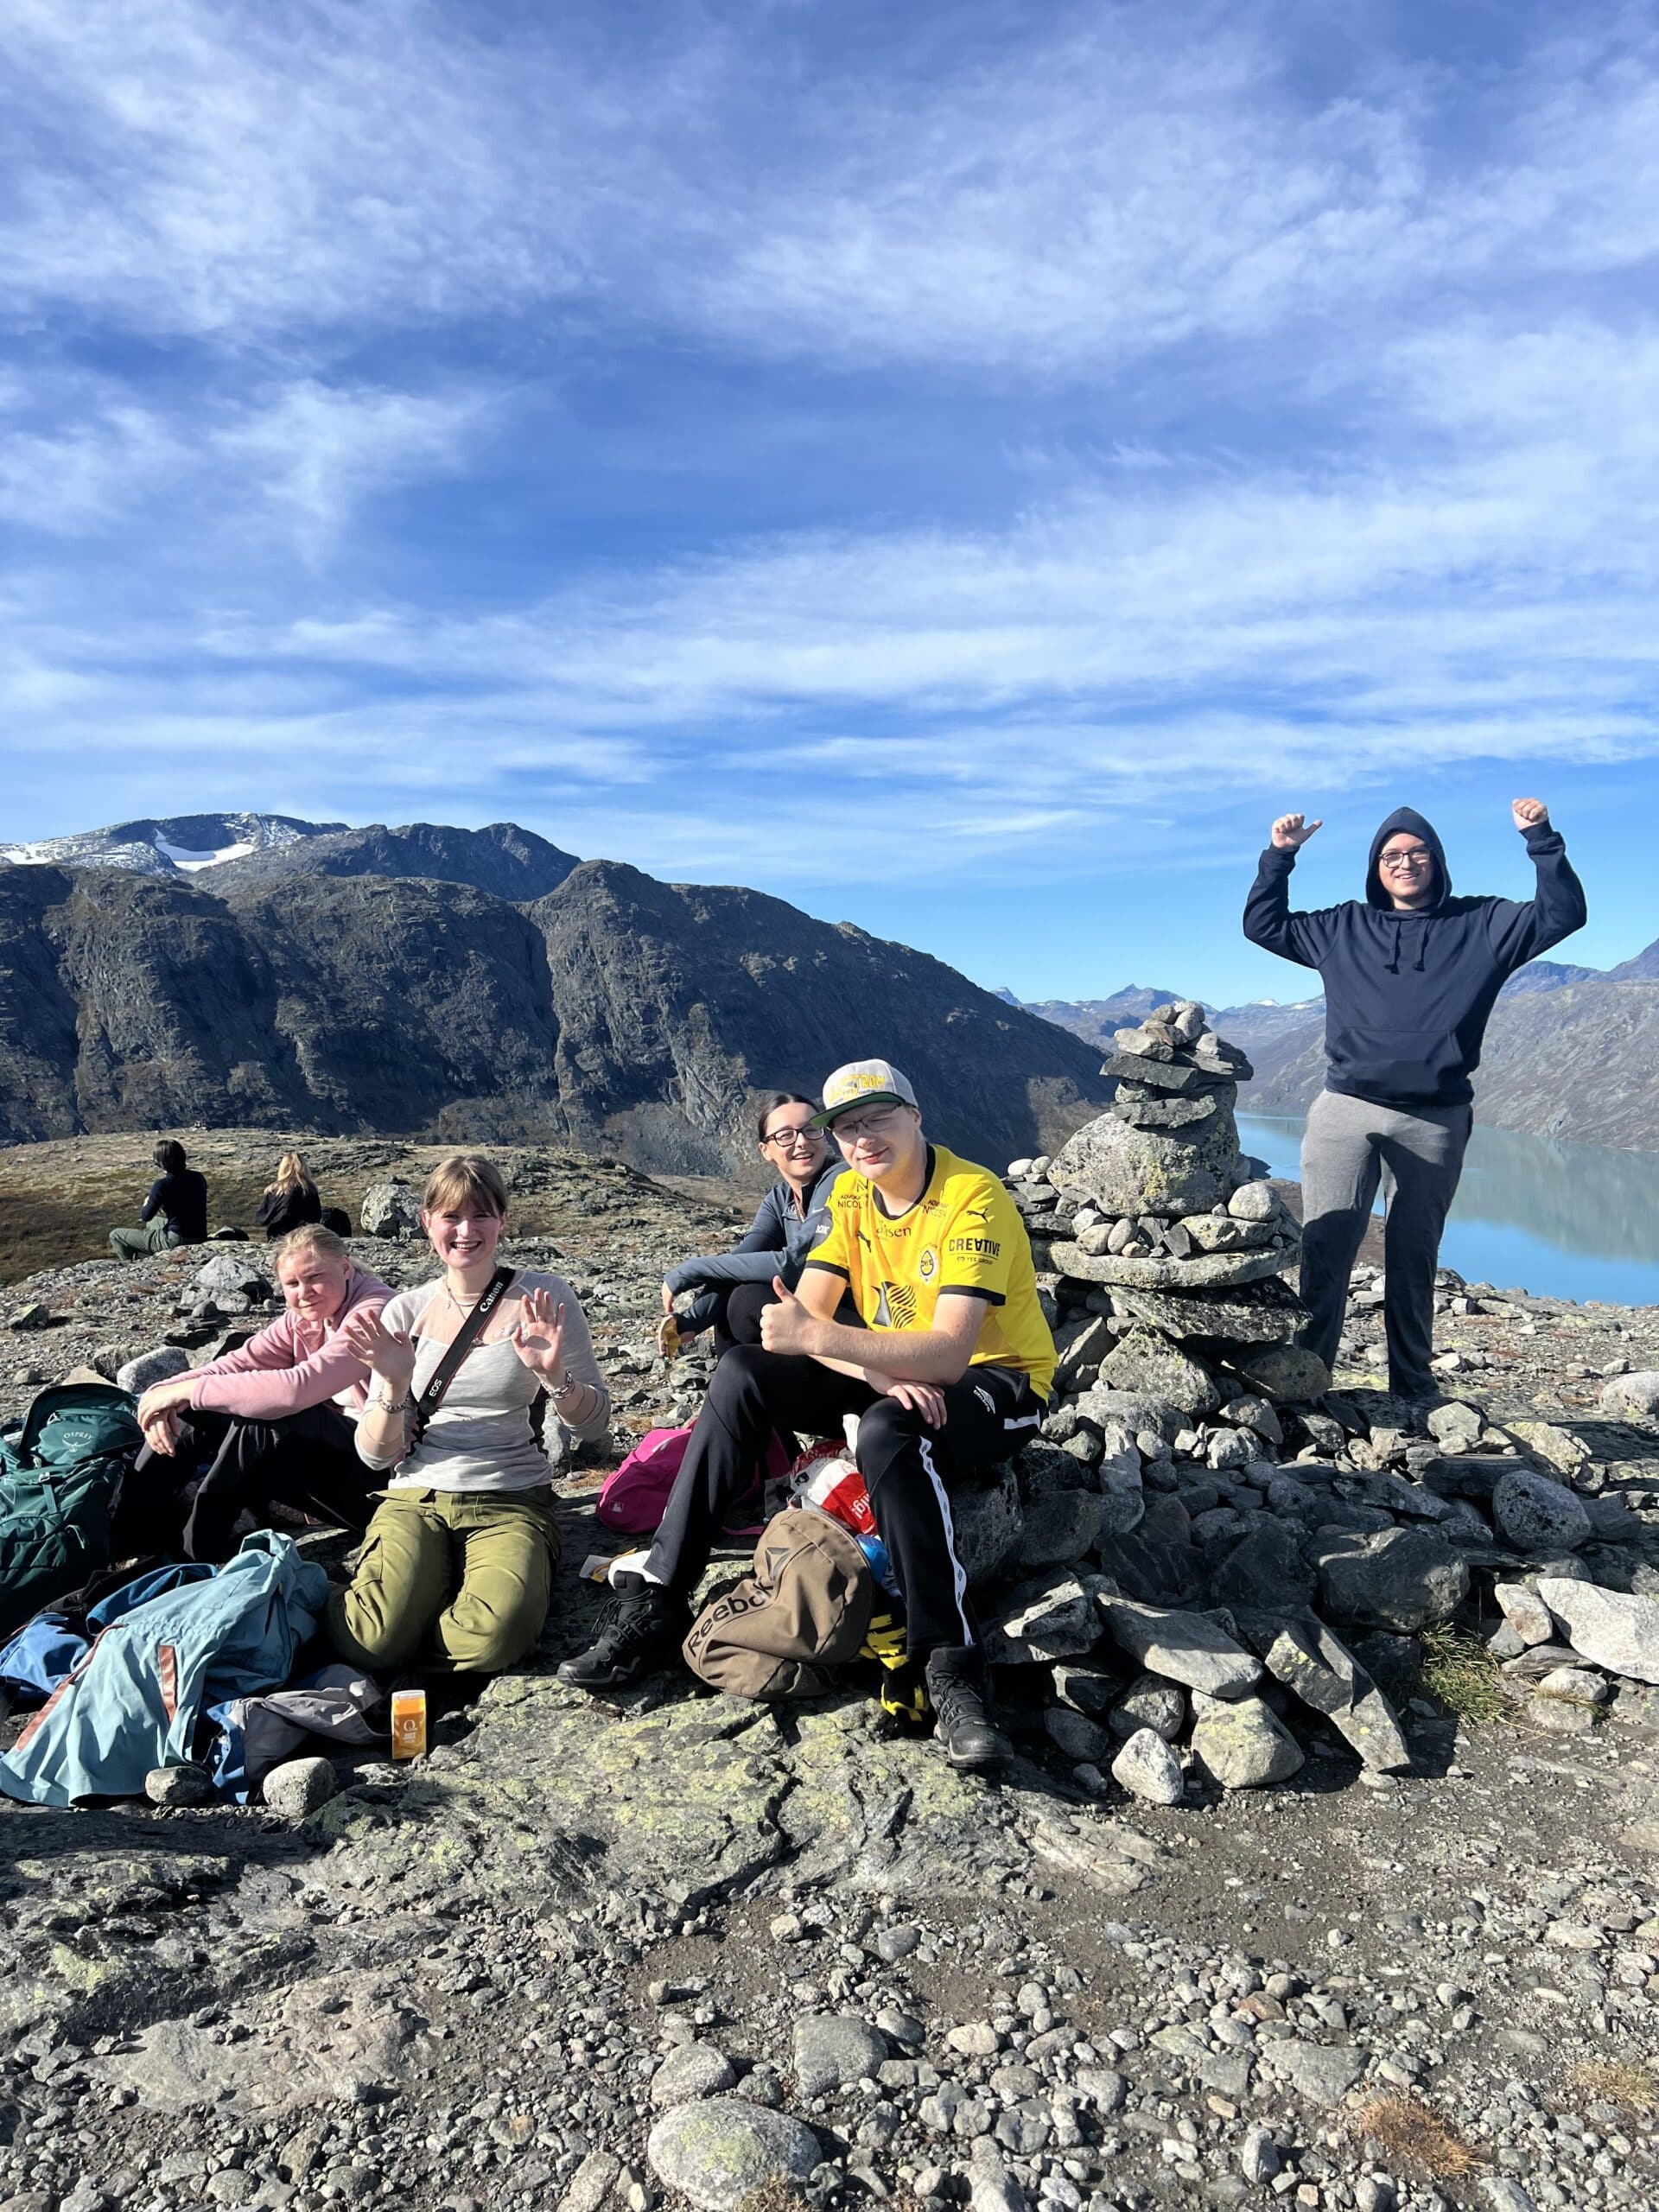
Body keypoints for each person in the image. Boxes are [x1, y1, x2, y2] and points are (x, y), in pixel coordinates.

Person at [561, 1059, 1055, 1769]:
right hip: (895, 1367)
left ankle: (948, 1665)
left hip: (999, 1384)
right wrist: (877, 1370)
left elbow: (946, 1355)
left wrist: (834, 1348)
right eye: (848, 1127)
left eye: (878, 1118)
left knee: (889, 1429)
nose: (861, 1138)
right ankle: (662, 1598)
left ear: (915, 1117)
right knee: (740, 1371)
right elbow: (806, 1319)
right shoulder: (853, 1195)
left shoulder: (972, 1196)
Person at [1243, 798, 1587, 1402]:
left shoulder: (1482, 925)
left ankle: (1413, 1388)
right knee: (1326, 1247)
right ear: (1376, 868)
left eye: (1417, 852)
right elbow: (1263, 926)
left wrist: (1540, 838)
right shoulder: (1343, 927)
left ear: (1437, 861)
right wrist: (1280, 856)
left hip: (1436, 1117)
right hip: (1344, 1110)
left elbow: (1563, 914)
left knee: (1413, 1256)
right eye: (1392, 855)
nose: (1405, 863)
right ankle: (1306, 1382)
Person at [328, 1154, 610, 1677]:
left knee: (494, 1641)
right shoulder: (404, 1312)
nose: (466, 1230)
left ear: (502, 1220)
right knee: (369, 1641)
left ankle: (418, 1629)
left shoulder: (544, 1299)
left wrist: (554, 1377)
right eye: (451, 1216)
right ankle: (396, 1622)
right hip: (417, 1496)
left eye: (481, 1215)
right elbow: (375, 1455)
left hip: (512, 1498)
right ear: (426, 1222)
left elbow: (592, 1426)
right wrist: (390, 1384)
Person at [133, 1224, 391, 1560]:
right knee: (196, 1409)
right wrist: (164, 1394)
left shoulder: (375, 1311)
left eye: (315, 1277)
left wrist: (188, 1390)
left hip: (382, 1486)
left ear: (345, 1267)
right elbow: (236, 1364)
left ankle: (194, 1556)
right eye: (292, 1284)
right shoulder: (303, 1318)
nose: (304, 1292)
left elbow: (296, 1390)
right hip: (337, 1469)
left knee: (265, 1420)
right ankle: (129, 1537)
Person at [659, 1093, 850, 1358]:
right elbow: (742, 1261)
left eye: (811, 1129)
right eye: (786, 1135)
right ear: (765, 1151)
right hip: (813, 1319)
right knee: (736, 1291)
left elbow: (793, 1265)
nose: (803, 1141)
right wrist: (692, 1320)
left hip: (856, 1326)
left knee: (744, 1300)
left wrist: (692, 1269)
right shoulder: (779, 1199)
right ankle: (740, 1387)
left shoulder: (842, 1180)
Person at [108, 1139, 208, 1262]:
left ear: (160, 1162)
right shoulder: (198, 1177)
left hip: (177, 1239)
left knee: (116, 1235)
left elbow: (145, 1216)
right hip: (200, 1235)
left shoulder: (162, 1185)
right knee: (153, 1223)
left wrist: (147, 1204)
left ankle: (132, 1264)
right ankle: (154, 1250)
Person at [254, 1153, 322, 1241]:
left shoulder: (275, 1189)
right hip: (303, 1237)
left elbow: (261, 1217)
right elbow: (316, 1216)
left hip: (277, 1236)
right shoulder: (309, 1188)